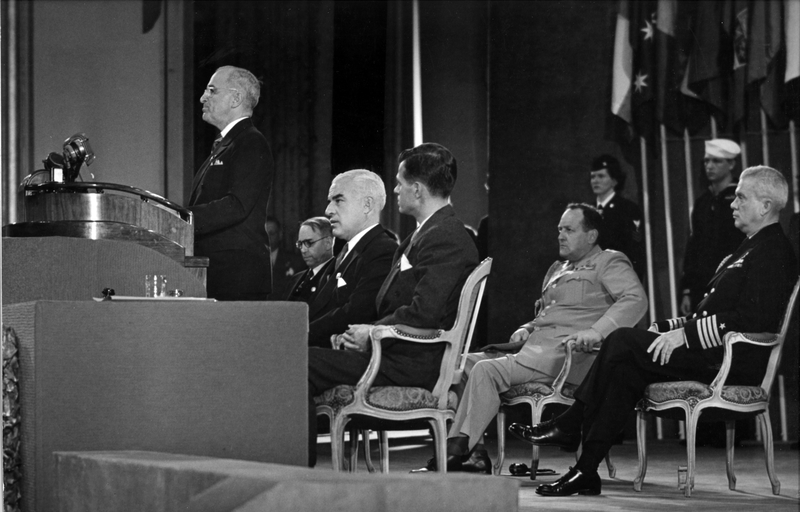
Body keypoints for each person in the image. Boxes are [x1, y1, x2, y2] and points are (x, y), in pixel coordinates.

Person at [510, 166, 797, 497]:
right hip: (711, 351)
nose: (733, 202)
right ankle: (585, 470)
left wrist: (684, 335)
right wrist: (665, 328)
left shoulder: (774, 249)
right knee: (624, 370)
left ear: (765, 205)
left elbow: (752, 319)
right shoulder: (749, 247)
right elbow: (710, 313)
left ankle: (572, 419)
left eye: (742, 197)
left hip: (732, 361)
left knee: (621, 340)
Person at [412, 203, 647, 473]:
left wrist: (597, 332)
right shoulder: (556, 269)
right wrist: (527, 326)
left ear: (591, 236)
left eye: (569, 230)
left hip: (571, 357)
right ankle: (475, 456)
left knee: (486, 370)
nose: (560, 235)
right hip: (535, 350)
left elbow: (635, 300)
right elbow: (548, 315)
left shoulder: (609, 261)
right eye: (559, 229)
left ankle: (455, 448)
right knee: (461, 364)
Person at [307, 143, 479, 466]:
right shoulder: (425, 234)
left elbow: (424, 313)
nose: (396, 189)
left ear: (417, 189)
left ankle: (297, 466)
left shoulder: (446, 237)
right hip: (393, 353)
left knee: (299, 361)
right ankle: (298, 462)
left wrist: (369, 333)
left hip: (410, 360)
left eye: (400, 183)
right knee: (302, 360)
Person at [188, 66, 273, 300]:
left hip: (236, 278)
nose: (202, 97)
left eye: (211, 91)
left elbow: (237, 205)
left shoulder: (251, 142)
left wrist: (181, 218)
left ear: (236, 98)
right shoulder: (227, 144)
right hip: (219, 273)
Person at [302, 169, 398, 347]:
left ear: (367, 205)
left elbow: (356, 314)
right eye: (330, 201)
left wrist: (297, 335)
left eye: (338, 200)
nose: (328, 210)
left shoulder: (383, 251)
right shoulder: (347, 252)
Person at [680, 139, 745, 316]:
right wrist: (686, 290)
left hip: (730, 282)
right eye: (707, 161)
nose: (709, 166)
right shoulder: (702, 202)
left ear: (731, 164)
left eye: (716, 161)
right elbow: (693, 248)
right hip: (701, 286)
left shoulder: (740, 199)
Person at [591, 155, 645, 280]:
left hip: (618, 278)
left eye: (601, 176)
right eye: (593, 176)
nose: (595, 181)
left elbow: (635, 252)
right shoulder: (587, 210)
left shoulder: (628, 209)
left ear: (614, 180)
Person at [286, 216, 335, 303]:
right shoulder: (296, 279)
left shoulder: (337, 276)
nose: (303, 250)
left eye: (309, 243)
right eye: (300, 244)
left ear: (328, 243)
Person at [266, 216, 307, 300]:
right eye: (264, 234)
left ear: (280, 234)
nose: (268, 238)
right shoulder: (251, 261)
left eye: (271, 233)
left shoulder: (296, 262)